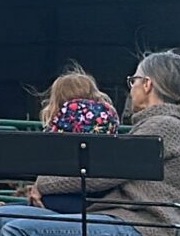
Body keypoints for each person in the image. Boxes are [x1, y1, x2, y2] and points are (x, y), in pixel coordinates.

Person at [0, 50, 180, 236]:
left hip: (140, 229)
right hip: (115, 218)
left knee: (18, 230)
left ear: (147, 85)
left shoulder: (162, 126)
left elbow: (101, 175)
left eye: (134, 80)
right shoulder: (155, 124)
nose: (130, 87)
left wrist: (43, 185)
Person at [34, 67, 118, 216]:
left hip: (62, 197)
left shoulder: (64, 116)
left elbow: (48, 157)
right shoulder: (109, 115)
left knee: (7, 212)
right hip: (102, 197)